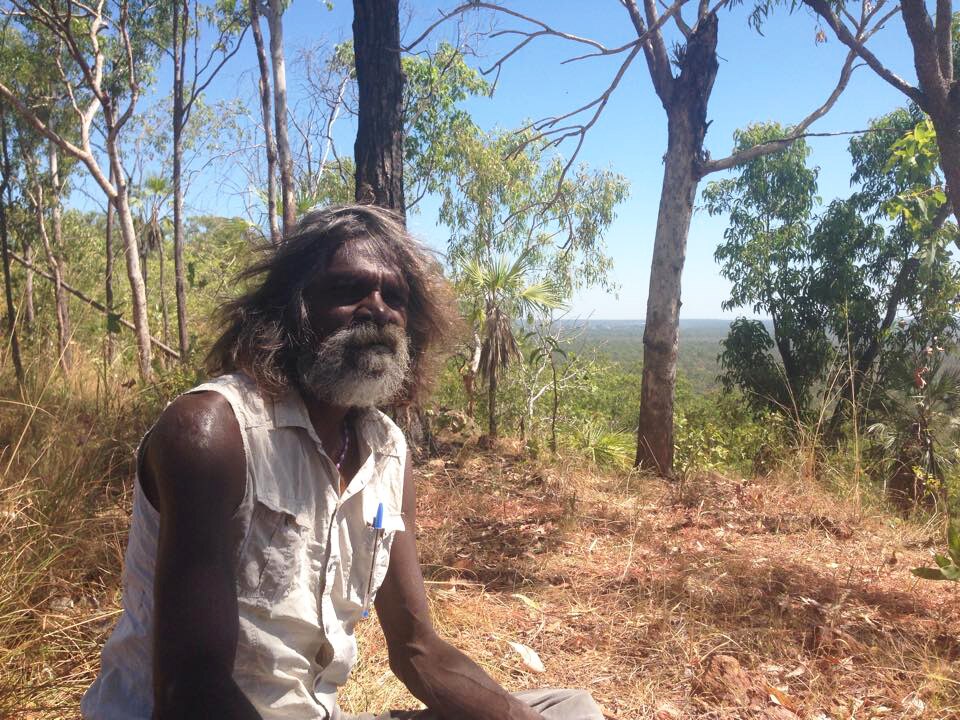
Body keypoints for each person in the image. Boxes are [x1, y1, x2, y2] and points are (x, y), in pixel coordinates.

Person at [81, 206, 605, 720]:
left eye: (394, 297)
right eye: (348, 289)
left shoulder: (387, 451)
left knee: (570, 710)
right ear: (294, 309)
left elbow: (418, 650)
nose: (378, 309)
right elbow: (190, 692)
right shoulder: (213, 432)